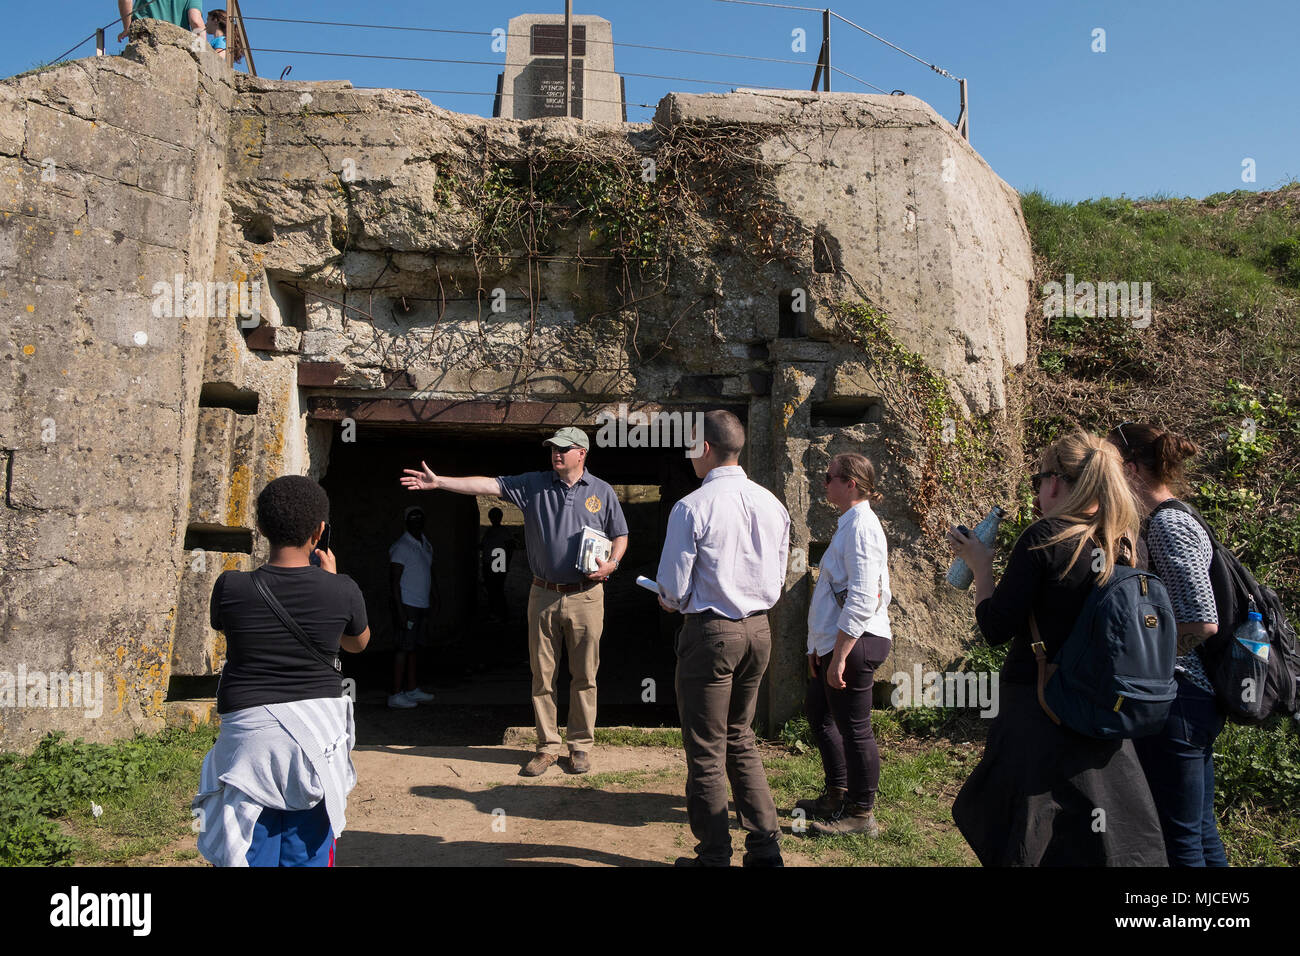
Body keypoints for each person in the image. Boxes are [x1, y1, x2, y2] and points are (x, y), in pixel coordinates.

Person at [945, 430, 1167, 866]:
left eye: (1039, 480)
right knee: (1091, 842)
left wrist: (981, 566)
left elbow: (995, 626)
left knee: (1030, 839)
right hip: (1103, 710)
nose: (1038, 491)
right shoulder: (1126, 543)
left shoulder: (1046, 538)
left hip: (1039, 709)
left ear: (1055, 482)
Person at [400, 426, 628, 776]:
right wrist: (441, 482)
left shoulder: (602, 492)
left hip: (586, 595)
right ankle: (548, 746)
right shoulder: (534, 484)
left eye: (563, 449)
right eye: (552, 449)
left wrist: (612, 563)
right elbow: (488, 484)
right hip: (543, 593)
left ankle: (580, 746)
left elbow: (620, 534)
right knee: (542, 676)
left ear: (581, 453)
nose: (555, 454)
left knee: (585, 674)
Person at [194, 475, 370, 866]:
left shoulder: (230, 587)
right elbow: (357, 643)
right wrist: (328, 582)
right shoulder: (343, 589)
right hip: (314, 743)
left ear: (260, 527)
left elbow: (225, 626)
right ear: (319, 531)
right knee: (307, 846)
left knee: (252, 846)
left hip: (248, 745)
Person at [655, 410, 790, 867]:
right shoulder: (772, 503)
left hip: (712, 633)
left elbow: (672, 590)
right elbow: (776, 573)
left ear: (706, 449)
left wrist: (670, 600)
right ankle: (765, 850)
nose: (688, 452)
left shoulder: (692, 506)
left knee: (707, 751)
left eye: (691, 444)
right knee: (741, 736)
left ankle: (713, 857)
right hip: (759, 630)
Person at [1108, 422, 1227, 866]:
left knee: (1178, 842)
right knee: (1196, 832)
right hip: (1186, 699)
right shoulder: (1162, 521)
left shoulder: (1169, 524)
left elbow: (1202, 622)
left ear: (1133, 469)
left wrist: (1152, 658)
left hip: (1180, 698)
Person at [796, 452, 892, 837]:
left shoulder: (863, 527)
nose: (824, 483)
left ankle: (861, 813)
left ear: (850, 482)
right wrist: (816, 646)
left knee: (855, 728)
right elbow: (834, 591)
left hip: (857, 642)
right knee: (819, 715)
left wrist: (839, 655)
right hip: (837, 642)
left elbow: (864, 596)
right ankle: (837, 793)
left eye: (829, 476)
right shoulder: (850, 524)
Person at [387, 506, 438, 709]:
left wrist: (436, 596)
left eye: (420, 518)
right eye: (413, 518)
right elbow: (394, 581)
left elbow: (429, 572)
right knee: (402, 647)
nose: (417, 521)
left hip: (421, 603)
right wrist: (399, 610)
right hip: (407, 605)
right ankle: (395, 694)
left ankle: (411, 688)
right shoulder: (401, 547)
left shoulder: (426, 544)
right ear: (407, 522)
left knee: (414, 647)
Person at [480, 506, 516, 624]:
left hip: (498, 564)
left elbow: (510, 547)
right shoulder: (490, 531)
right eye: (492, 517)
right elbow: (483, 545)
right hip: (488, 563)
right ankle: (495, 613)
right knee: (491, 589)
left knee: (497, 589)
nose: (493, 519)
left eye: (495, 516)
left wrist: (506, 564)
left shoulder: (504, 531)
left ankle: (501, 614)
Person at [118, 0, 205, 41]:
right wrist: (201, 53)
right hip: (178, 47)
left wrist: (127, 28)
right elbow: (196, 22)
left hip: (144, 37)